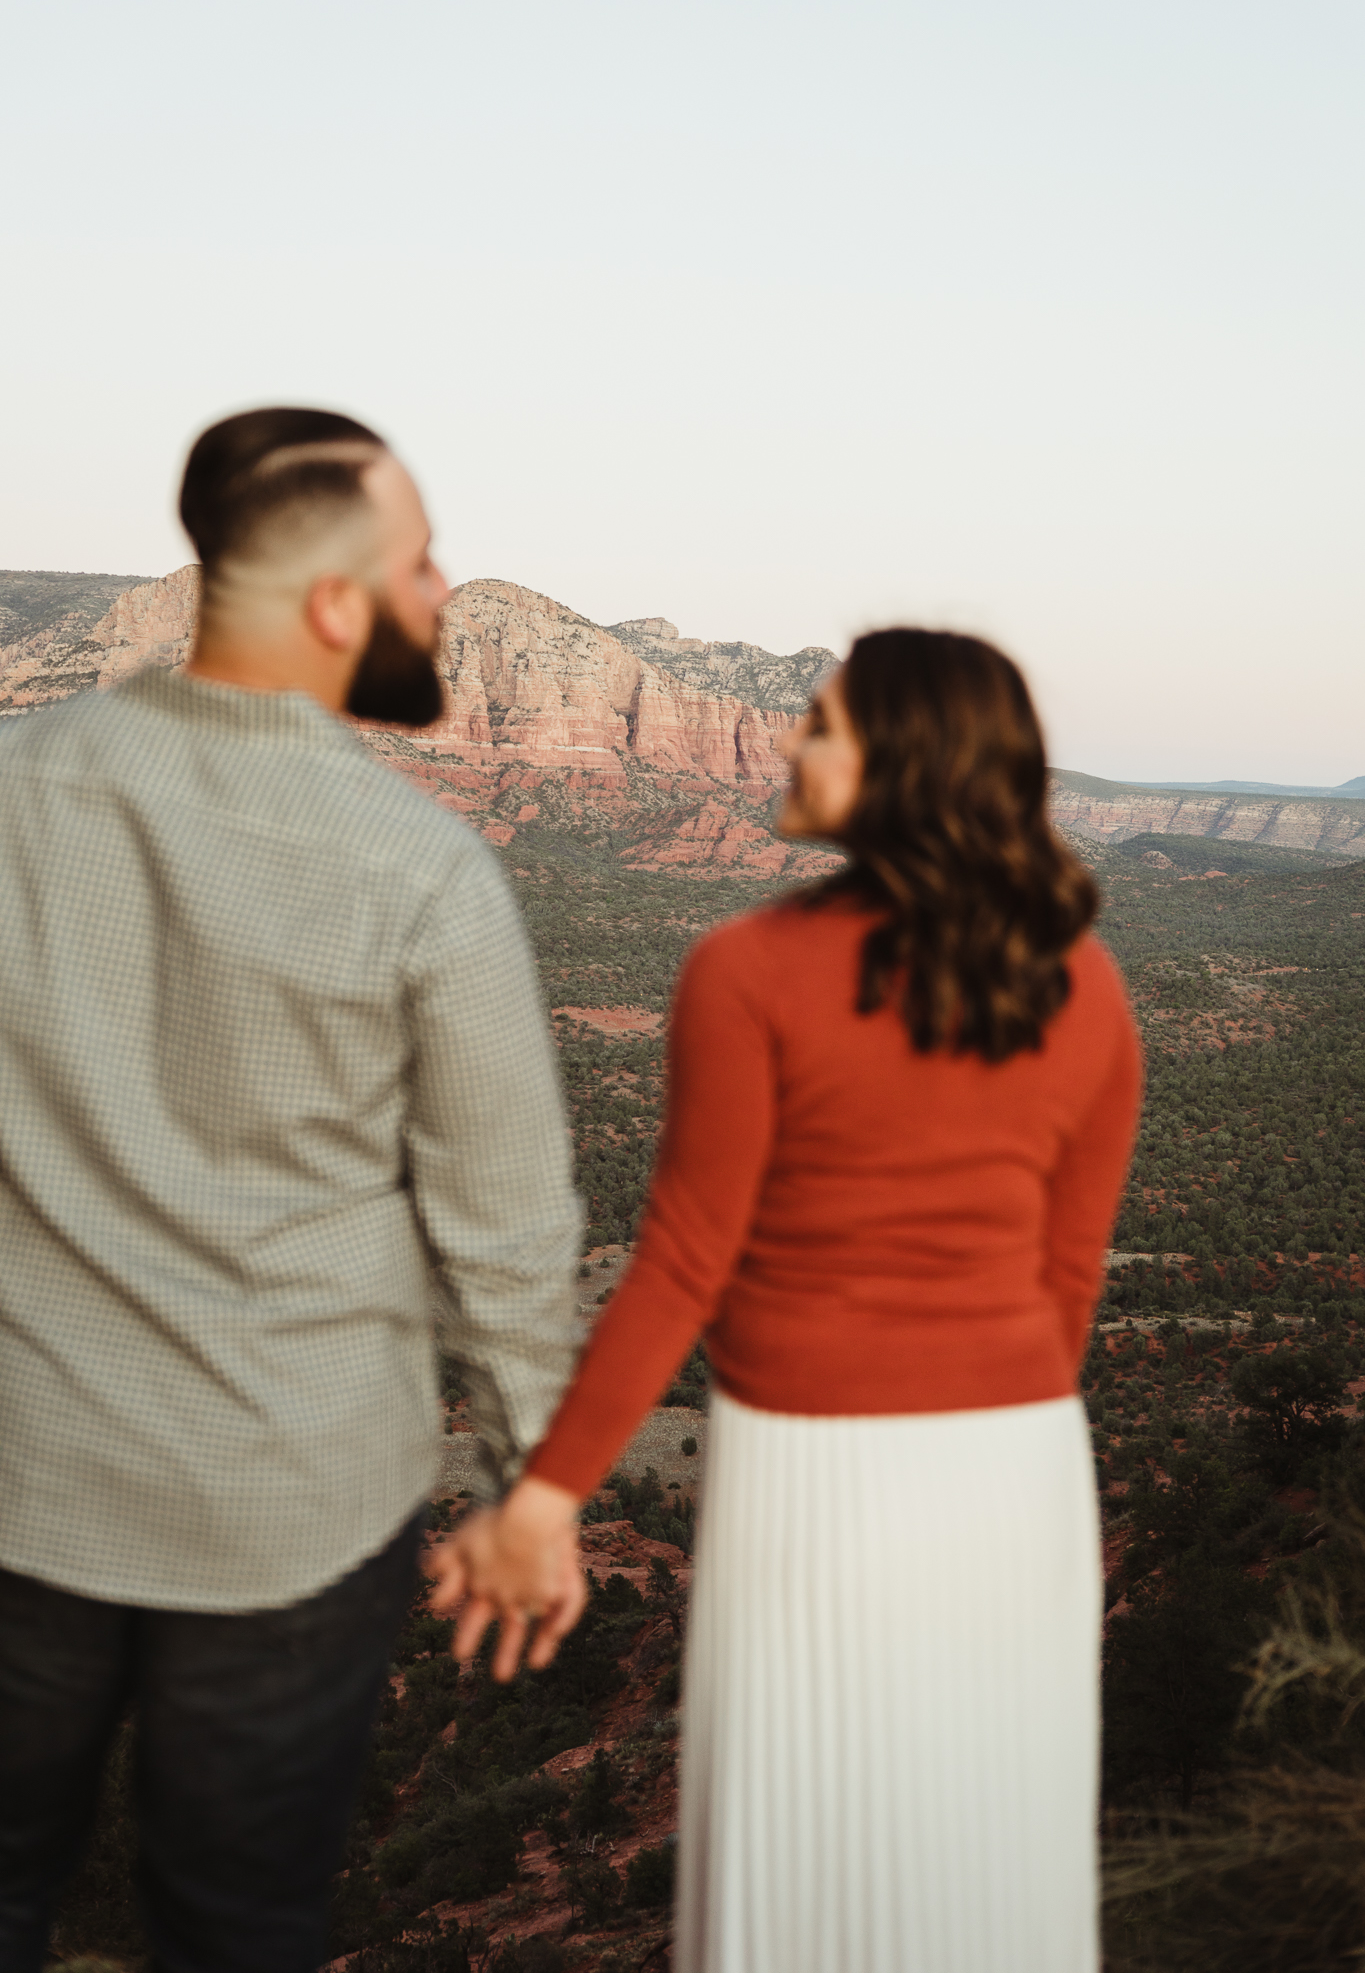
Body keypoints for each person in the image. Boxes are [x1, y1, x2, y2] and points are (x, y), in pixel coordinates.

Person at [440, 629, 1142, 1973]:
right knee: (984, 1857)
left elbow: (683, 1261)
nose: (785, 741)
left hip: (809, 1474)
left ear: (900, 768)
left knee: (797, 1849)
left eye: (819, 724)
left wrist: (546, 1495)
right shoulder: (1084, 983)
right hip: (1017, 1476)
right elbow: (1067, 1284)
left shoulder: (747, 969)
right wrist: (970, 1408)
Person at [0, 407, 586, 1973]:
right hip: (290, 1511)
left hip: (21, 1476)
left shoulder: (13, 787)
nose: (444, 589)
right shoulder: (419, 872)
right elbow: (510, 1232)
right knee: (241, 1927)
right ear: (339, 604)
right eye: (420, 560)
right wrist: (533, 1486)